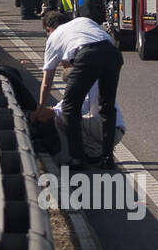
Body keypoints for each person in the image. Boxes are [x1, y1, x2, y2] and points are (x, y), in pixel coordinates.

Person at [33, 11, 123, 171]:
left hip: (88, 55)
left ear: (49, 29)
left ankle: (77, 159)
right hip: (112, 53)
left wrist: (40, 108)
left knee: (69, 109)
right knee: (107, 107)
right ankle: (107, 158)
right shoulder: (83, 20)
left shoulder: (54, 37)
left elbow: (47, 81)